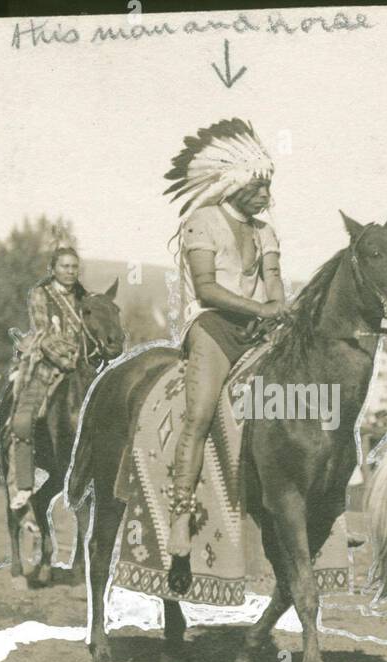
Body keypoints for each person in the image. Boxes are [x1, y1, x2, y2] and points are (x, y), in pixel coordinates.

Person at [160, 118, 286, 586]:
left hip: (258, 330)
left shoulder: (265, 231)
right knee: (200, 414)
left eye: (268, 185)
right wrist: (261, 308)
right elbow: (208, 289)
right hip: (213, 328)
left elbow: (275, 285)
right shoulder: (202, 222)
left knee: (306, 401)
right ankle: (179, 517)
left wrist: (277, 312)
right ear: (233, 184)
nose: (265, 194)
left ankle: (326, 517)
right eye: (258, 185)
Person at [7, 244, 88, 511]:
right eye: (64, 266)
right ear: (53, 269)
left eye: (74, 267)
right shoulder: (40, 294)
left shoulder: (84, 298)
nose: (70, 271)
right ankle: (24, 484)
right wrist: (67, 357)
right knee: (22, 420)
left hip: (81, 366)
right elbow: (42, 333)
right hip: (47, 364)